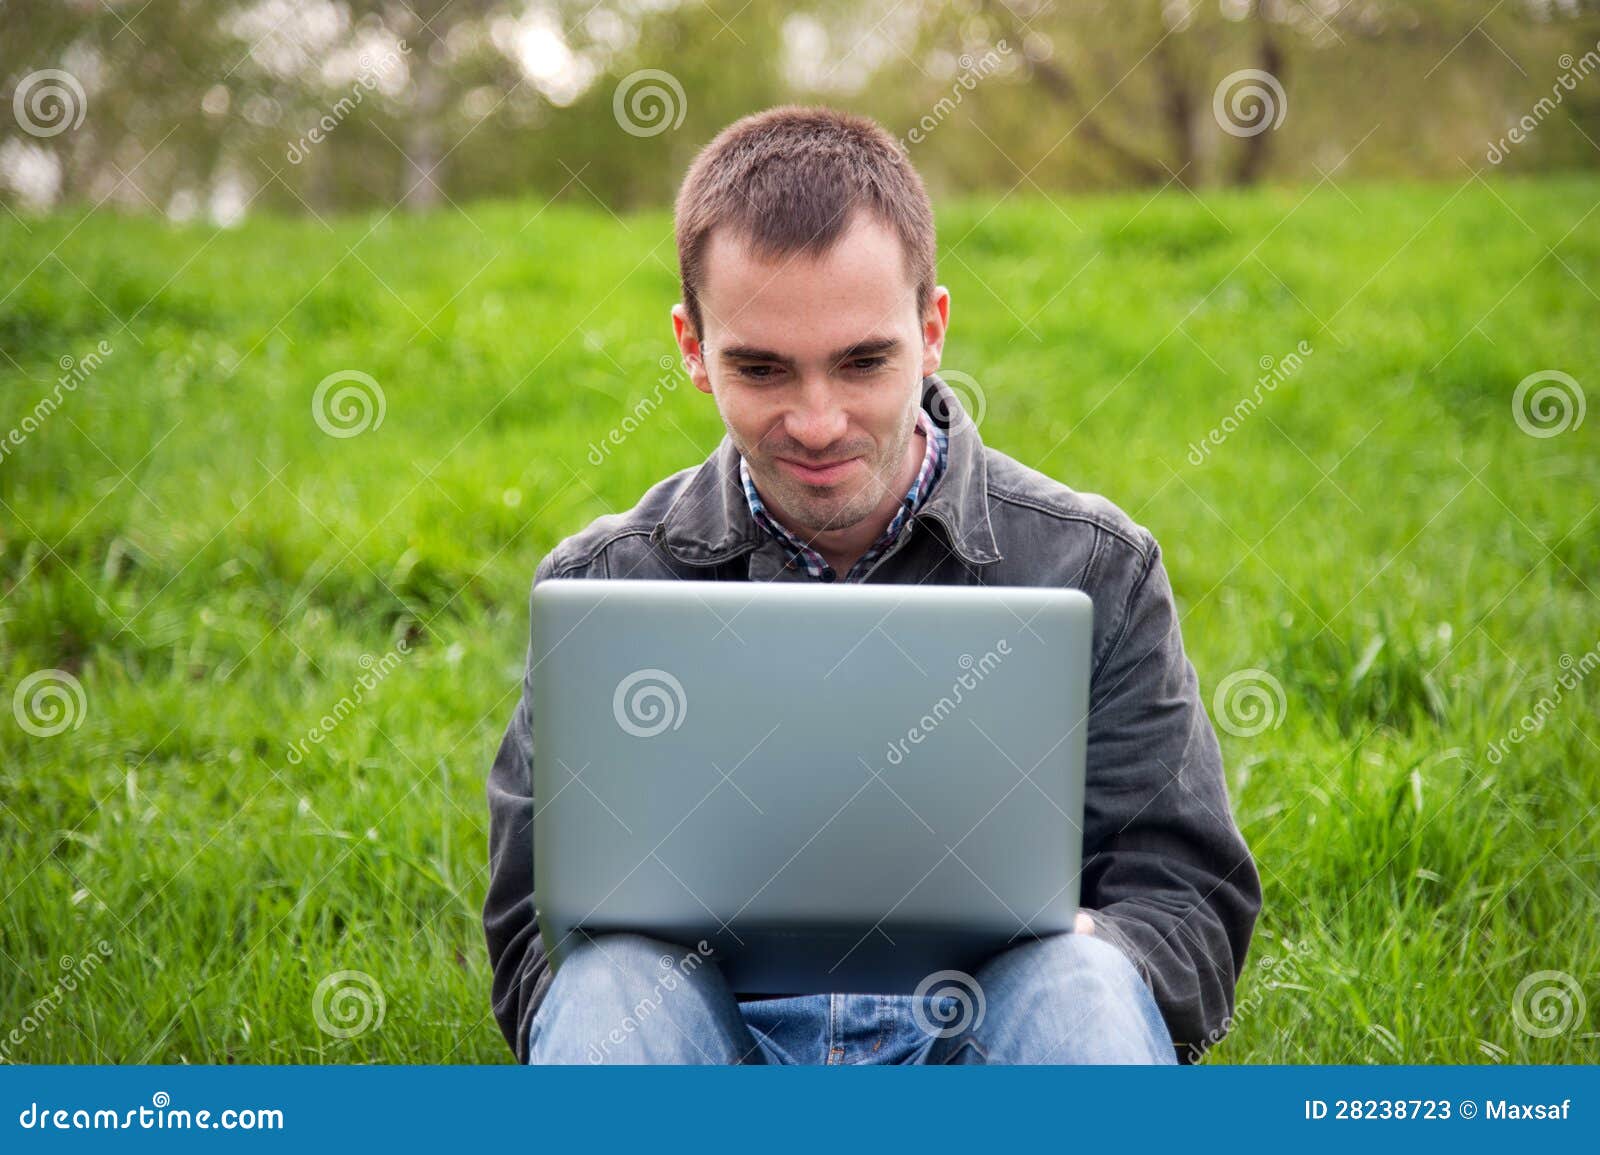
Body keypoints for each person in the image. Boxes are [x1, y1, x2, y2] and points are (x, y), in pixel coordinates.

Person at [483, 105, 1260, 1065]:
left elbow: (1189, 903)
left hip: (980, 1041)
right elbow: (531, 940)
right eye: (762, 368)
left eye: (863, 362)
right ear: (691, 349)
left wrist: (1076, 947)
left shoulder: (1094, 566)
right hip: (710, 1045)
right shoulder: (604, 586)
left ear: (932, 330)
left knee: (1082, 985)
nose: (817, 422)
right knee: (606, 985)